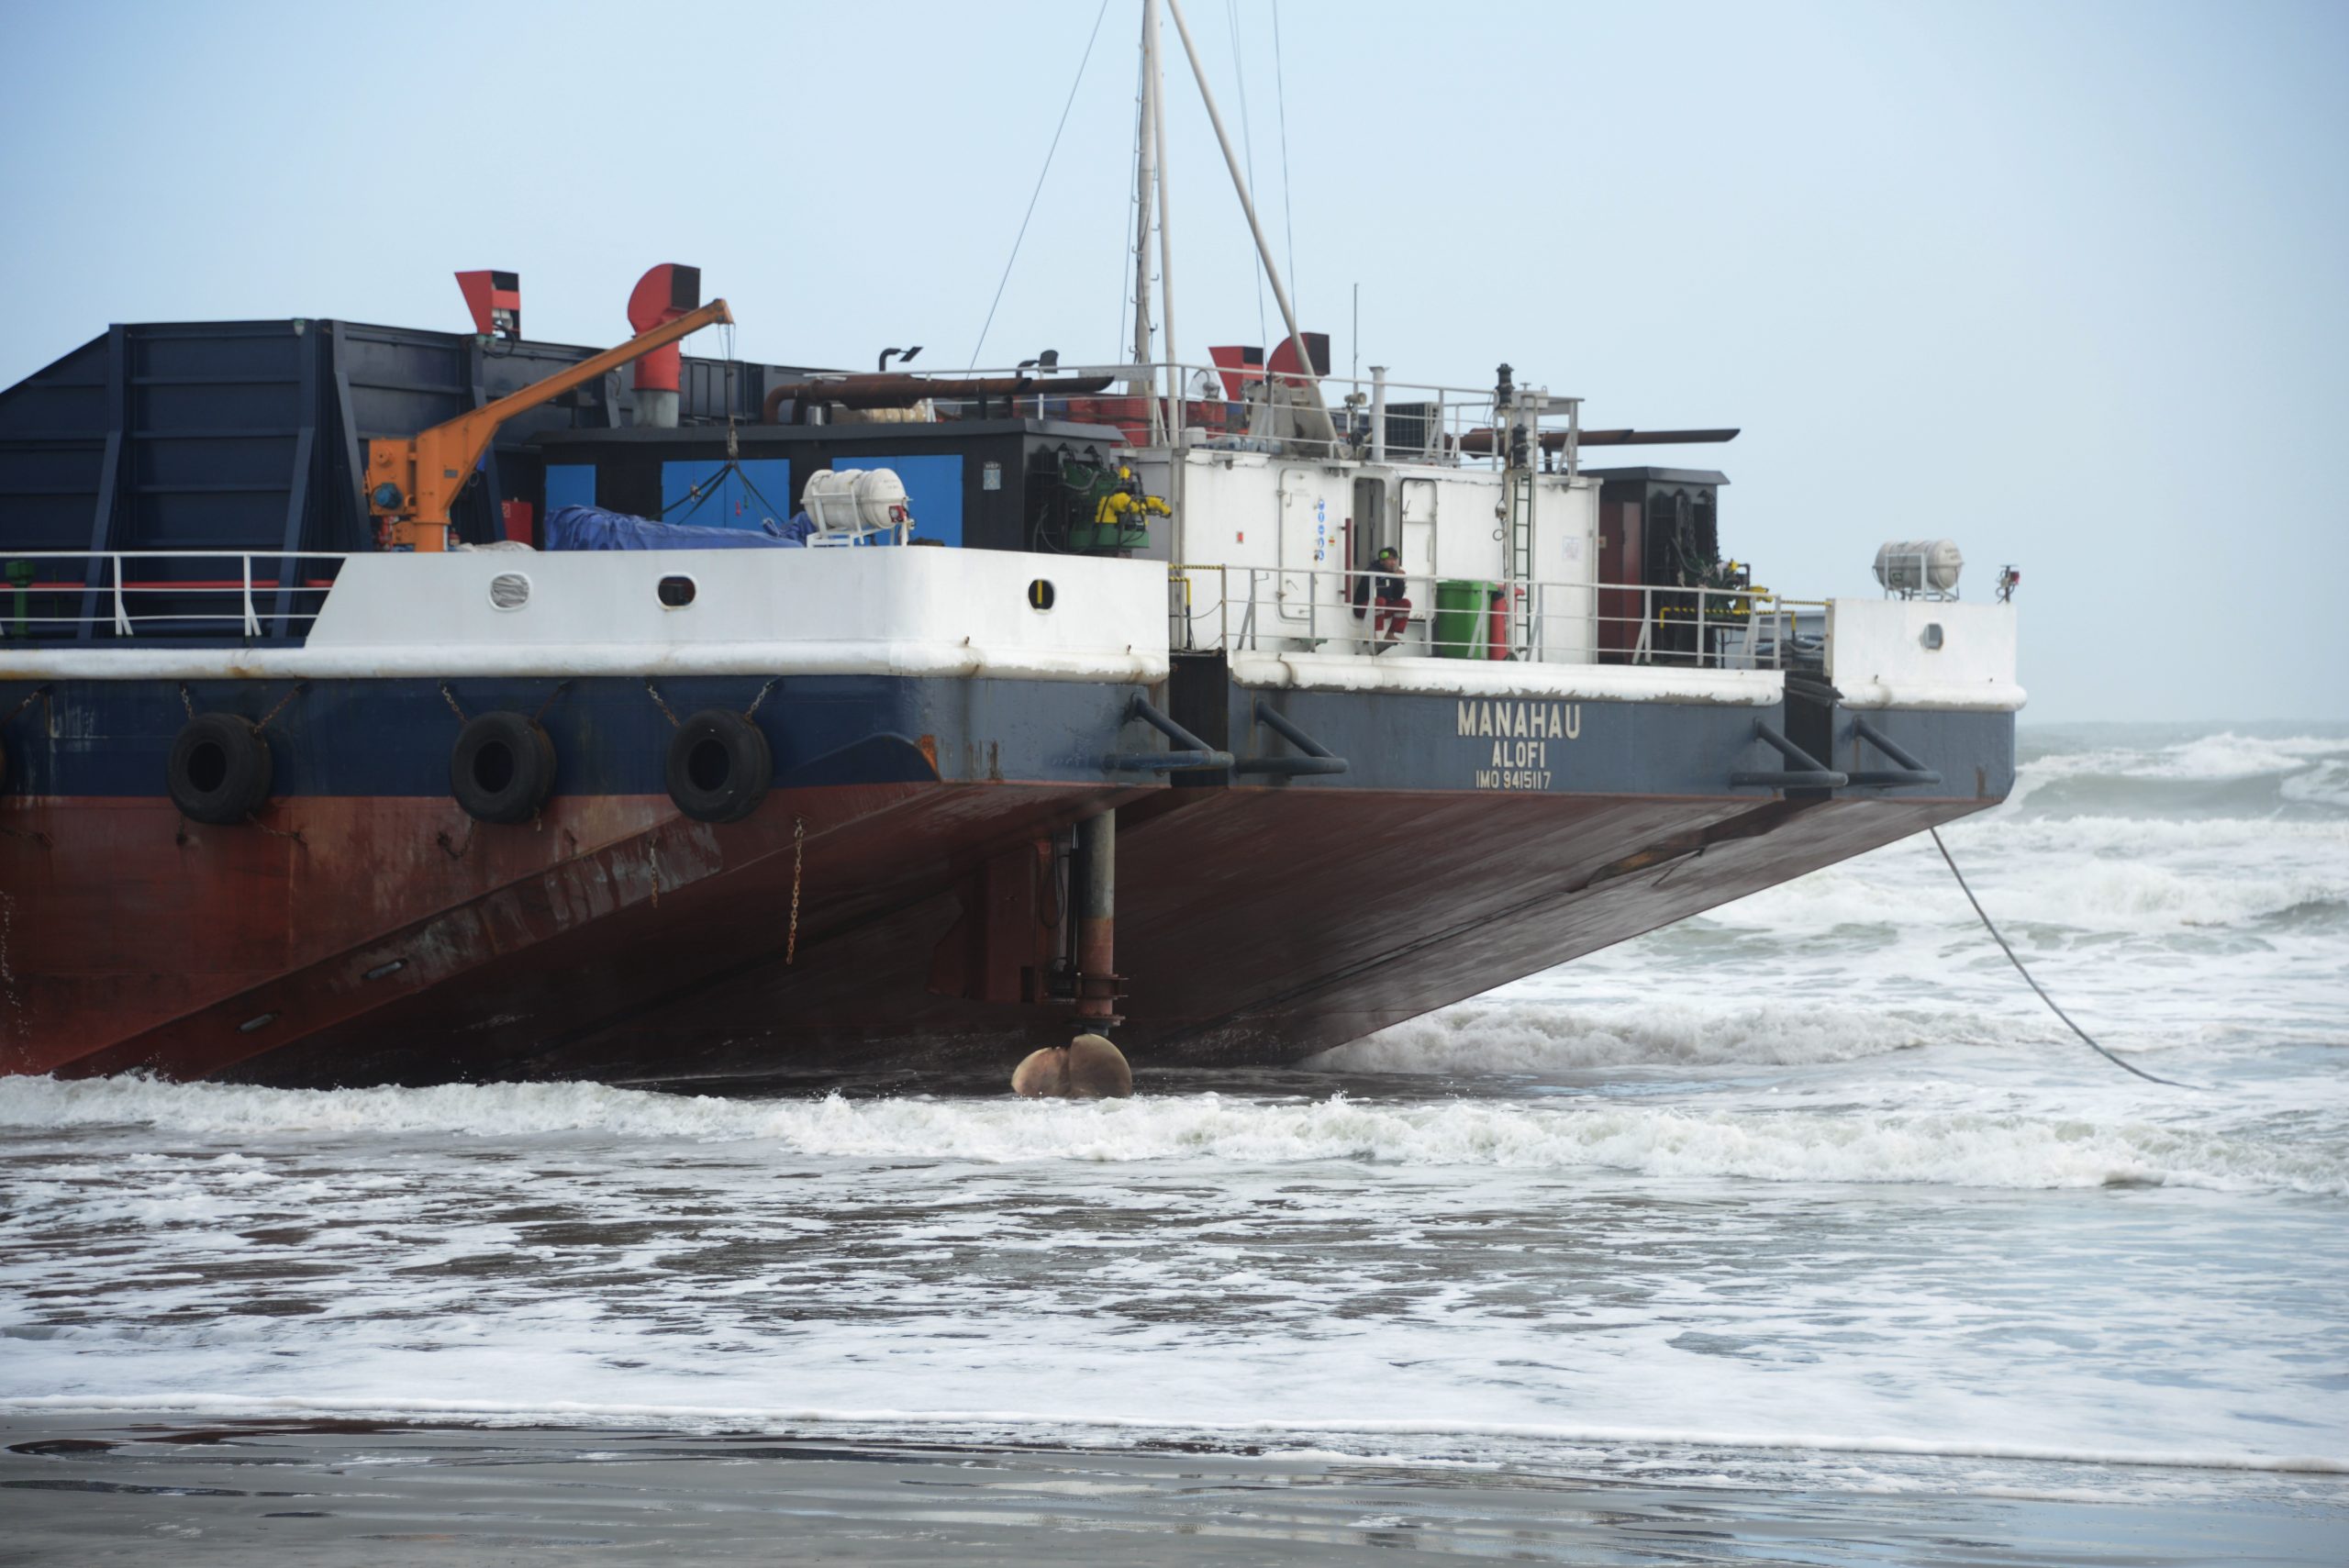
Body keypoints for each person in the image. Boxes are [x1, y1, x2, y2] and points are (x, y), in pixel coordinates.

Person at [1367, 546, 1410, 644]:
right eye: (1390, 559)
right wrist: (1394, 577)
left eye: (1395, 559)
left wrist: (1400, 581)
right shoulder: (1372, 570)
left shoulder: (1392, 574)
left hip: (1381, 607)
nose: (1393, 563)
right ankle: (1372, 634)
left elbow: (1397, 597)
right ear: (1382, 560)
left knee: (1405, 603)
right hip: (1364, 607)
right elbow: (1378, 593)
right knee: (1380, 600)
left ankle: (1390, 634)